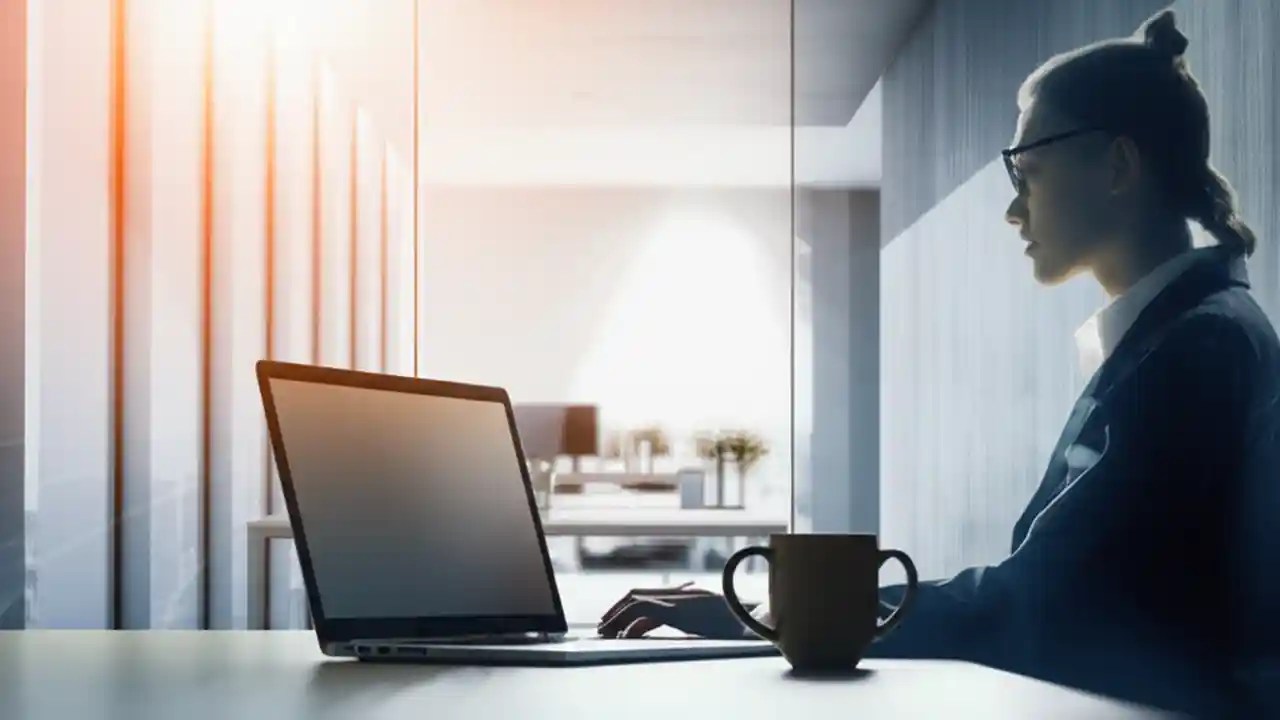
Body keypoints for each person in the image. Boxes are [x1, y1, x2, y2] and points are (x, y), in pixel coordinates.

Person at [597, 9, 1279, 717]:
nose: (1014, 210)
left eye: (1030, 172)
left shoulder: (1199, 348)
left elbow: (1036, 603)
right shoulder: (1198, 335)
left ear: (1116, 166)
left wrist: (776, 612)